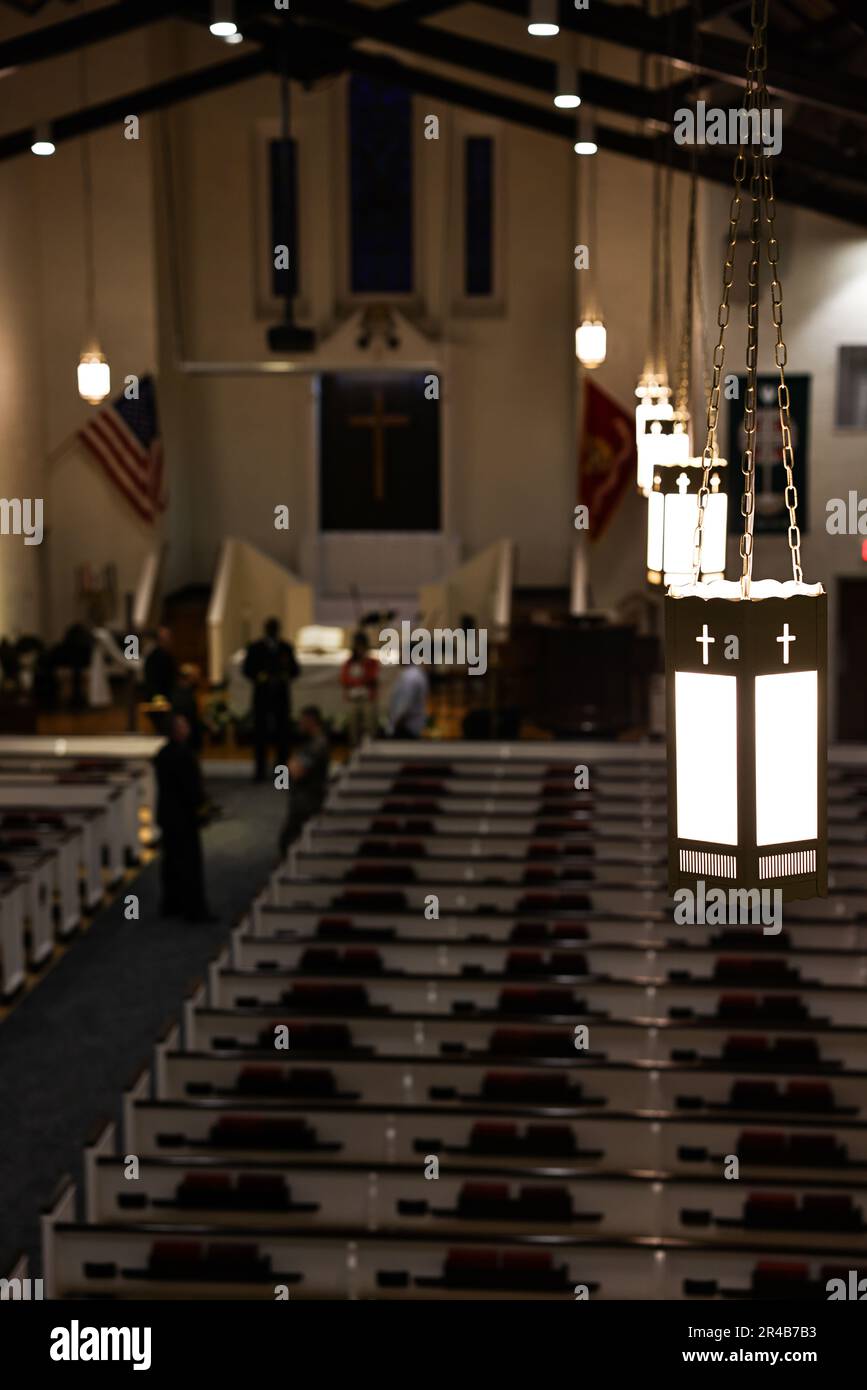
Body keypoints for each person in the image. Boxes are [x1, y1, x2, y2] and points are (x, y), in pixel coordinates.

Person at [154, 714, 215, 922]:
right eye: (183, 725)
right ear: (176, 731)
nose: (187, 727)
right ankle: (194, 910)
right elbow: (191, 789)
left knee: (170, 862)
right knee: (189, 863)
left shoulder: (162, 754)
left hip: (167, 815)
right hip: (184, 817)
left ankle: (172, 904)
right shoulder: (184, 755)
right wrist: (202, 809)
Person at [243, 617, 300, 782]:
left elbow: (295, 670)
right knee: (260, 736)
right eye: (270, 628)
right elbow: (247, 670)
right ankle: (260, 772)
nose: (273, 631)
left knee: (283, 737)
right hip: (262, 697)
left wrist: (283, 677)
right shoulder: (255, 647)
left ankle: (281, 774)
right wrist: (261, 677)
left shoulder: (285, 647)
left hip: (281, 698)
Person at [279, 705, 330, 855]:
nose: (299, 724)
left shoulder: (317, 745)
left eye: (302, 721)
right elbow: (283, 776)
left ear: (310, 721)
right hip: (301, 798)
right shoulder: (310, 742)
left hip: (307, 801)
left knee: (288, 842)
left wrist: (290, 764)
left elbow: (295, 772)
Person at [340, 629, 379, 746]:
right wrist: (358, 682)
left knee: (369, 725)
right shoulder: (349, 663)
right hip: (353, 699)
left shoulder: (371, 662)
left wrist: (357, 680)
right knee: (353, 727)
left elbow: (372, 678)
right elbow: (344, 679)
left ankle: (371, 748)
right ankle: (354, 750)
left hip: (367, 699)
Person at [386, 664, 429, 738]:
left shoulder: (410, 677)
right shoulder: (416, 674)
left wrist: (394, 723)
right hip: (412, 726)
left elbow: (403, 706)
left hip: (406, 728)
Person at [144, 625, 176, 702]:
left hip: (167, 694)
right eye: (166, 637)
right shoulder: (154, 656)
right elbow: (151, 678)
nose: (169, 639)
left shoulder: (167, 655)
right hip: (158, 696)